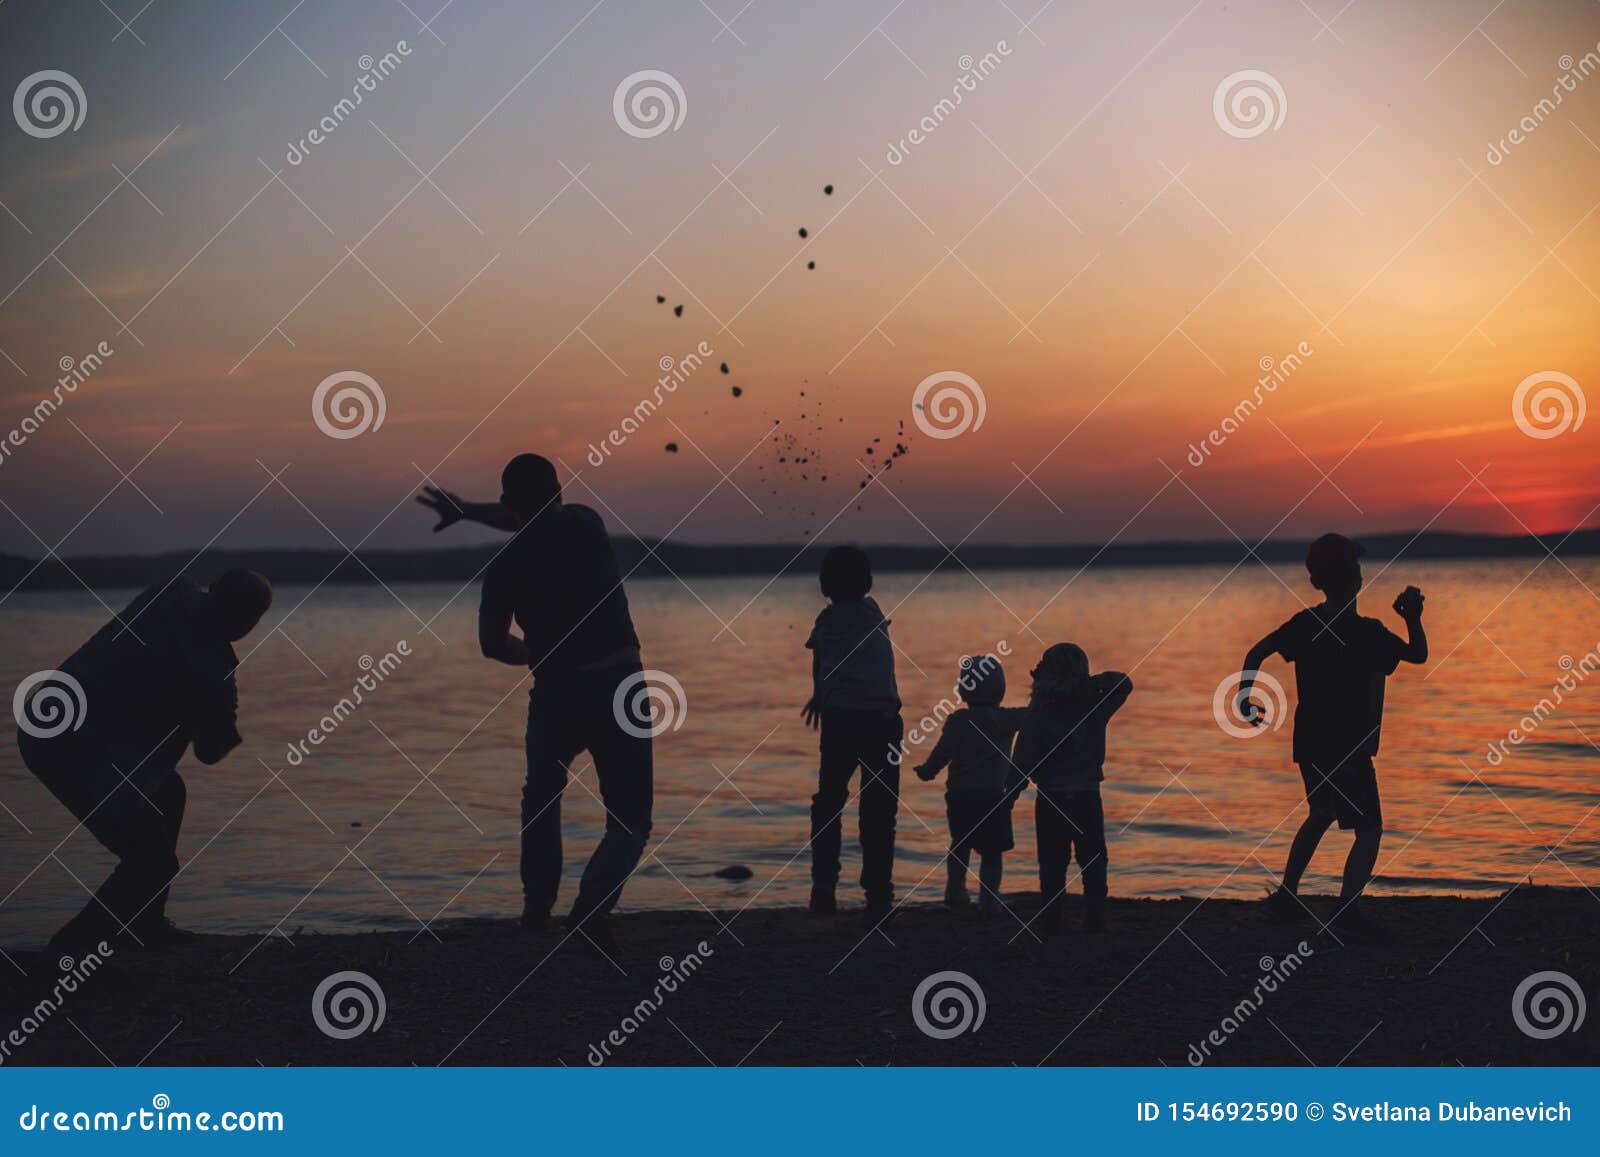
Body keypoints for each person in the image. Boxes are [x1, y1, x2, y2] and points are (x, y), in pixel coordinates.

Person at [417, 455, 651, 951]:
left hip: (556, 692)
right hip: (619, 683)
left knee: (542, 801)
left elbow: (492, 643)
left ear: (508, 502)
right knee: (629, 818)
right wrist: (472, 510)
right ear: (560, 492)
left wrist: (535, 653)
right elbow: (537, 520)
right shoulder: (585, 524)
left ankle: (536, 912)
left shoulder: (505, 567)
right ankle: (589, 912)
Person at [17, 570, 272, 955]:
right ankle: (71, 949)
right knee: (152, 862)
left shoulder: (170, 593)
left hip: (49, 719)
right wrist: (217, 708)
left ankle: (145, 925)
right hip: (74, 748)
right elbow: (209, 752)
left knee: (168, 792)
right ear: (248, 622)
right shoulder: (213, 667)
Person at [1236, 533, 1426, 941]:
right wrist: (1412, 617)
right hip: (1349, 746)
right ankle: (1347, 911)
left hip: (1310, 744)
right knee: (1369, 828)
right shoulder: (1368, 632)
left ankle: (1287, 897)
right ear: (1358, 580)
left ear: (1316, 582)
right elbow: (1418, 654)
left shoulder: (1306, 624)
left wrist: (1244, 698)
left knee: (1321, 813)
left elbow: (1256, 653)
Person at [801, 546, 902, 926]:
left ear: (824, 586)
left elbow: (818, 658)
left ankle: (823, 886)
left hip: (840, 720)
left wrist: (818, 694)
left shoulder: (825, 621)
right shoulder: (873, 612)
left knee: (828, 802)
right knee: (879, 810)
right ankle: (878, 893)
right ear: (868, 583)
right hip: (882, 720)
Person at [1014, 643, 1132, 936]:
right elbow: (1123, 683)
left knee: (1052, 862)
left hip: (1052, 797)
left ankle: (1053, 919)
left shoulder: (1040, 711)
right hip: (1085, 797)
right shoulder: (1092, 705)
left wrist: (1010, 792)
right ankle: (1093, 918)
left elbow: (1022, 759)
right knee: (1092, 859)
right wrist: (1086, 684)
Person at [915, 655, 1028, 918]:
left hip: (960, 795)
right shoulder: (1007, 719)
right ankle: (988, 899)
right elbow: (1035, 715)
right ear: (1000, 690)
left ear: (964, 689)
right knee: (992, 852)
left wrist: (927, 770)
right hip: (993, 796)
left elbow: (941, 753)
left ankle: (955, 891)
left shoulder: (958, 721)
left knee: (960, 844)